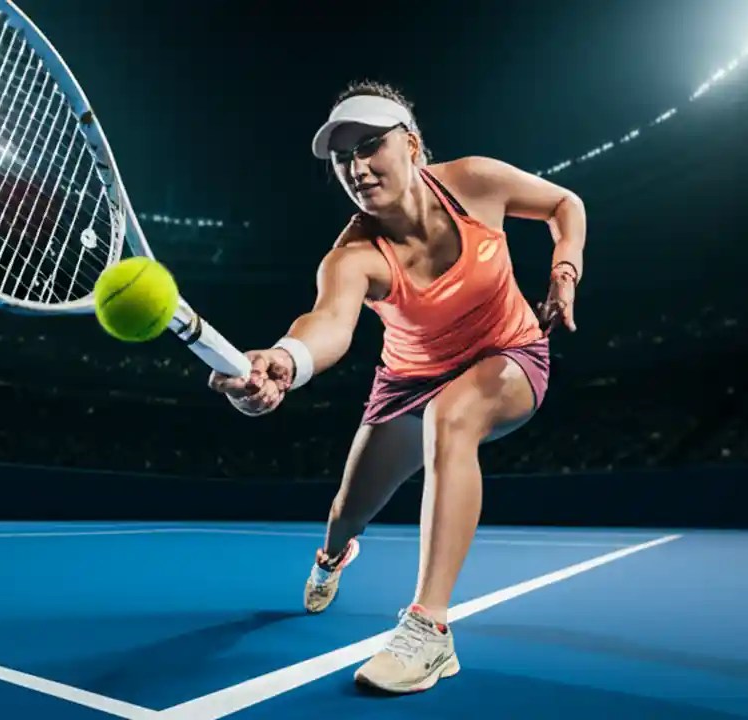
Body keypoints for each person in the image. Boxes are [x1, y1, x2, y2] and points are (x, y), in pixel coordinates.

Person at [209, 80, 586, 694]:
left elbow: (565, 204)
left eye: (370, 146)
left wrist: (564, 270)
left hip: (509, 354)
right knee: (344, 513)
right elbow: (328, 323)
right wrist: (285, 359)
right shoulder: (352, 256)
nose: (356, 167)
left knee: (452, 417)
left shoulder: (476, 182)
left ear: (411, 145)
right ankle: (334, 556)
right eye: (342, 158)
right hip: (408, 382)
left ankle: (429, 631)